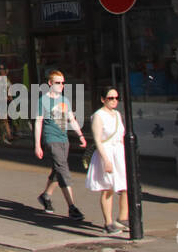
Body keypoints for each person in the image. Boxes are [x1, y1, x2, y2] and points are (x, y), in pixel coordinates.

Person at [34, 70, 87, 221]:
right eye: (58, 82)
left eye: (63, 83)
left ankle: (46, 196)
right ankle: (72, 207)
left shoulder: (65, 100)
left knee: (58, 169)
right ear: (50, 83)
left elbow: (71, 119)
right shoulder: (43, 101)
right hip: (51, 139)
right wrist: (37, 145)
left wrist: (81, 135)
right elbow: (38, 122)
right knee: (63, 170)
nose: (61, 85)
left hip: (64, 140)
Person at [87, 88, 129, 234]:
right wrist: (106, 160)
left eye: (116, 98)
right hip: (106, 153)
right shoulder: (98, 116)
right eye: (110, 98)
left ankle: (122, 219)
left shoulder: (117, 114)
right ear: (102, 99)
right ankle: (108, 223)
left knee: (125, 187)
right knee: (108, 188)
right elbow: (98, 140)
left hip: (118, 153)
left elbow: (121, 136)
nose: (114, 101)